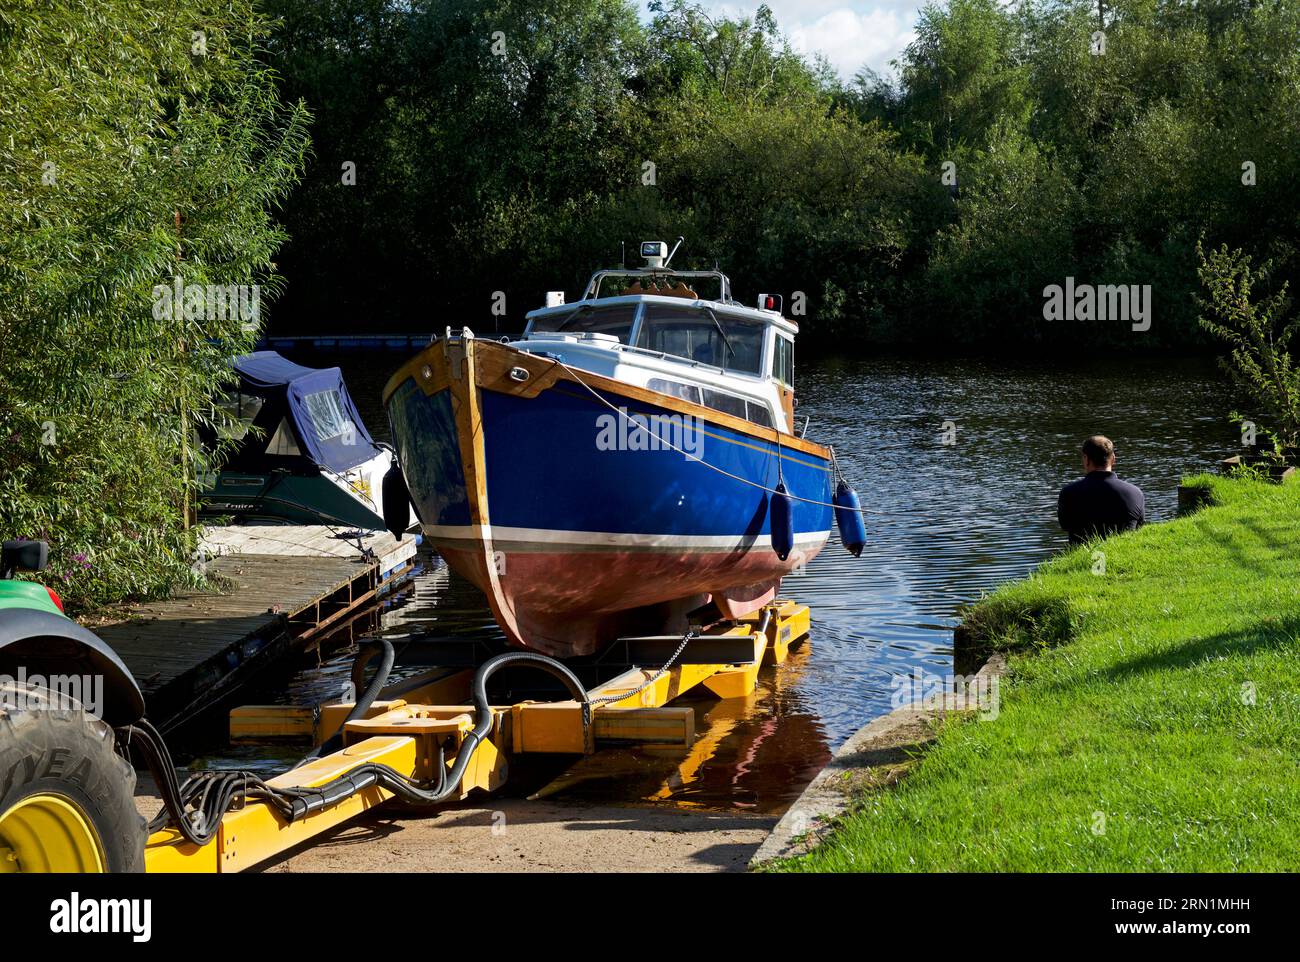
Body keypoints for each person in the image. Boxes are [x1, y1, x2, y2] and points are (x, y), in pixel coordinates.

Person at [1057, 435, 1145, 545]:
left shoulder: (1069, 493)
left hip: (1085, 558)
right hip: (1123, 555)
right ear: (1113, 459)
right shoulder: (1135, 493)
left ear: (1086, 459)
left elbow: (1065, 526)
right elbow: (1139, 528)